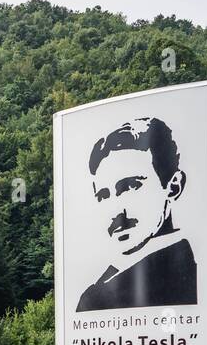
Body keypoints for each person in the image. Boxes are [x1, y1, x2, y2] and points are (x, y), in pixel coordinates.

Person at [76, 116, 198, 312]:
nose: (116, 211)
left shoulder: (190, 274)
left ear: (174, 186)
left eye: (130, 186)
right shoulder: (97, 290)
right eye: (103, 196)